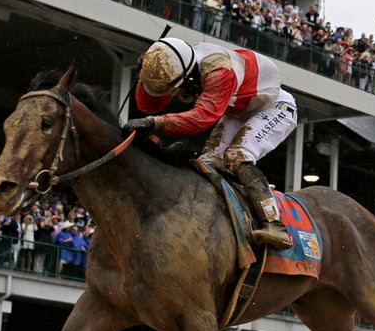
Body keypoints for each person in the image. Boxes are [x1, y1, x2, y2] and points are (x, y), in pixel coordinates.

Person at [127, 38, 298, 249]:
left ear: (187, 76)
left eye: (177, 89)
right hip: (239, 110)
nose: (177, 95)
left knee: (238, 156)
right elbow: (148, 105)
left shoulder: (219, 71)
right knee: (207, 164)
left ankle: (274, 224)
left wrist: (157, 123)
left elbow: (204, 117)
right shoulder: (183, 64)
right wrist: (144, 78)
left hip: (276, 107)